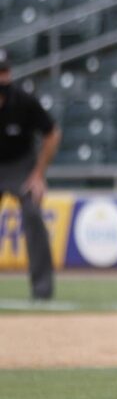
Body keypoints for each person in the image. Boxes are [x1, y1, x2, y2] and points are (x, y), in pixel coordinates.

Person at [0, 56, 61, 301]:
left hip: (21, 167)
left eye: (4, 71)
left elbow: (52, 133)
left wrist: (38, 175)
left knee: (33, 214)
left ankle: (42, 290)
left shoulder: (24, 101)